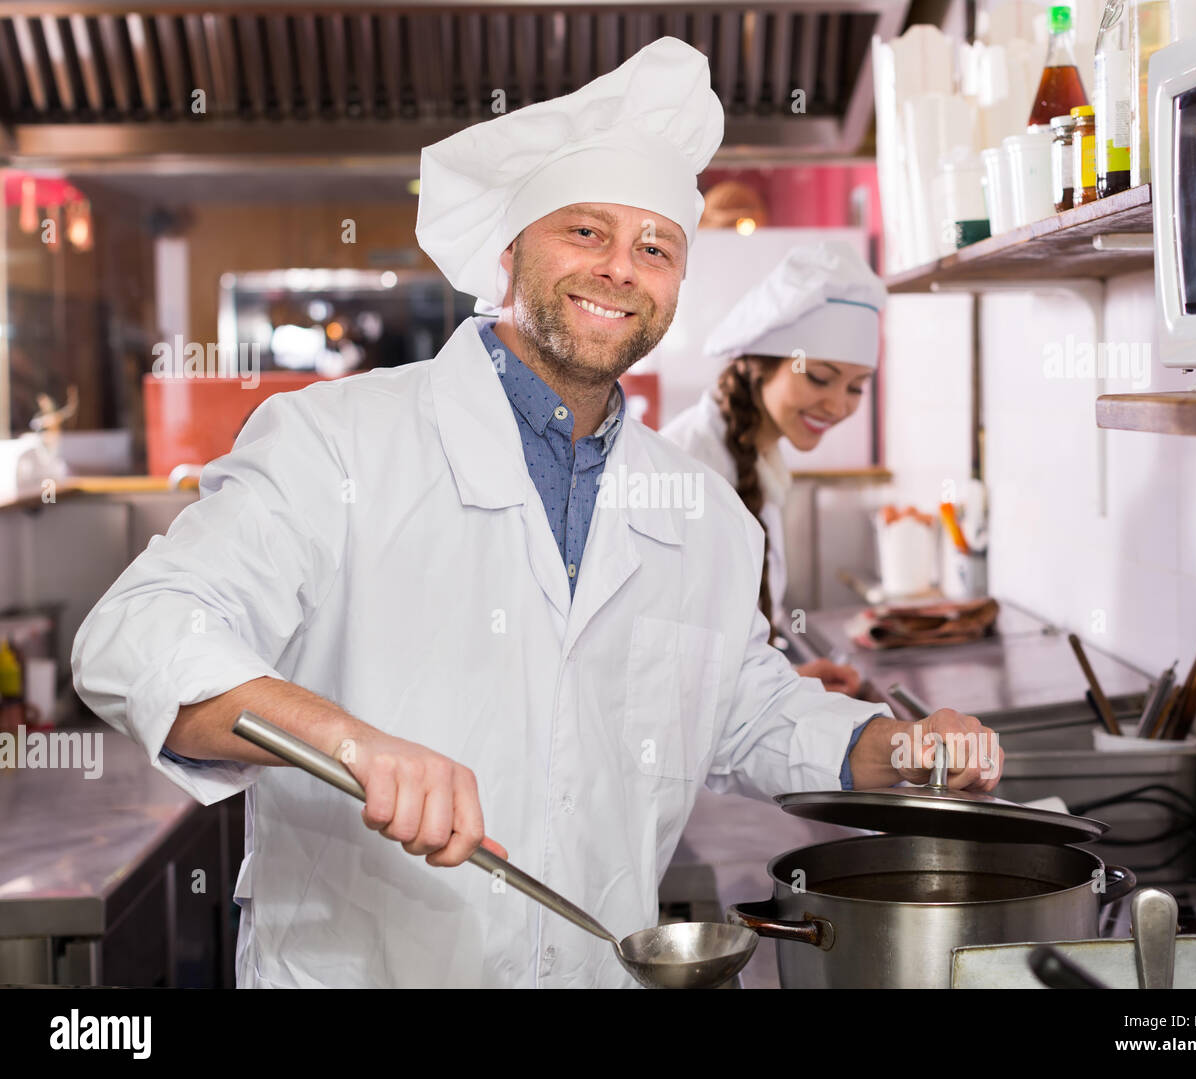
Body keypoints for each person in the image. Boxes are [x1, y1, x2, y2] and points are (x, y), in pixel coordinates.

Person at [72, 38, 1001, 989]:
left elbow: (742, 706)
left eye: (656, 247)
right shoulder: (336, 441)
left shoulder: (708, 516)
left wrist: (884, 746)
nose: (621, 269)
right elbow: (140, 633)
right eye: (587, 231)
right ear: (510, 251)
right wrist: (348, 741)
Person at [660, 243, 883, 695]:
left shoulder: (761, 461)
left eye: (857, 387)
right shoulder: (687, 470)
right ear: (760, 366)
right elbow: (666, 666)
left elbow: (719, 654)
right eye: (819, 378)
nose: (838, 405)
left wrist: (789, 684)